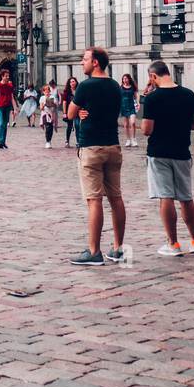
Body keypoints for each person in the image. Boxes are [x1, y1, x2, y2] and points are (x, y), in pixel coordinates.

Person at [66, 48, 125, 266]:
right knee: (116, 198)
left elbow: (70, 114)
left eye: (85, 59)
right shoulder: (115, 86)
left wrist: (81, 110)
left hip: (91, 147)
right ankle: (118, 248)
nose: (82, 63)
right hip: (113, 146)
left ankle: (94, 251)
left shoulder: (86, 86)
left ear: (96, 63)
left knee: (94, 200)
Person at [141, 59, 194, 256]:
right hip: (181, 151)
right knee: (186, 198)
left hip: (159, 152)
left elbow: (146, 130)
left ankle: (174, 244)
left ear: (153, 76)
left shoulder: (152, 98)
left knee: (165, 197)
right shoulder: (188, 94)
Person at [0, 70, 16, 149]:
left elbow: (12, 98)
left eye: (8, 75)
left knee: (5, 125)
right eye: (6, 76)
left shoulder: (10, 86)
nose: (7, 77)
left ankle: (3, 142)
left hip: (7, 107)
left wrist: (15, 109)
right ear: (2, 76)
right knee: (0, 124)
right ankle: (1, 141)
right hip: (0, 107)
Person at [120, 73, 139, 147]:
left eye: (126, 78)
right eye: (123, 79)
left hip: (131, 106)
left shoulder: (132, 87)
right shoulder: (121, 87)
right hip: (123, 106)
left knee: (133, 122)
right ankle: (128, 140)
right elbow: (118, 96)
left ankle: (133, 139)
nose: (125, 80)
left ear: (129, 79)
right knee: (126, 124)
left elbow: (136, 96)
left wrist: (138, 103)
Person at [61, 76, 79, 146]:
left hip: (77, 111)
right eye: (70, 82)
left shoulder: (79, 90)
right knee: (70, 126)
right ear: (69, 83)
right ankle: (67, 140)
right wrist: (64, 113)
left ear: (76, 82)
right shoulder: (67, 92)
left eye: (73, 81)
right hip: (69, 111)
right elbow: (64, 102)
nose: (72, 83)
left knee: (77, 125)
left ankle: (78, 141)